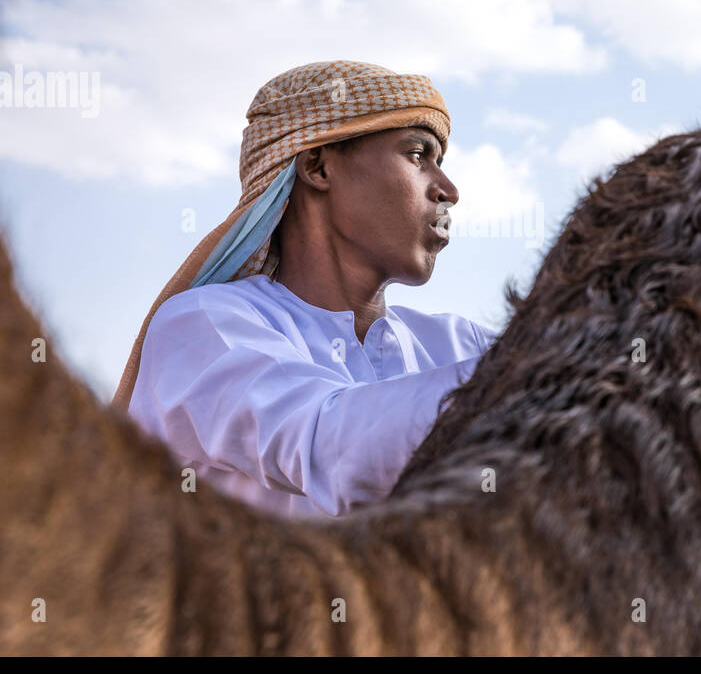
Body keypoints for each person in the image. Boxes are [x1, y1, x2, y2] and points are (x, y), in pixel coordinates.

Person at [114, 60, 496, 519]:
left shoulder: (460, 346)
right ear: (317, 167)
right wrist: (532, 376)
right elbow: (329, 447)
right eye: (418, 155)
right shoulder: (202, 328)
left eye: (442, 163)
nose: (448, 190)